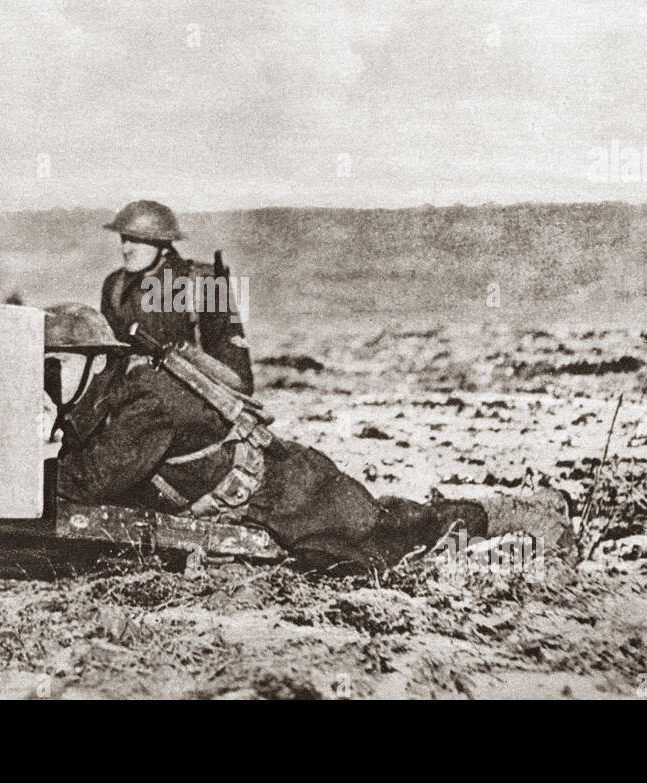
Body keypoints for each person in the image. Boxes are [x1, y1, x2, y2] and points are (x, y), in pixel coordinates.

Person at [43, 303, 486, 571]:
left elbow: (85, 481)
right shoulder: (106, 394)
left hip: (293, 494)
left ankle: (513, 515)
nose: (47, 378)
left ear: (98, 363)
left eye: (56, 365)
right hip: (266, 497)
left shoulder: (145, 399)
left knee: (395, 542)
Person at [100, 200, 254, 392]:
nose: (126, 248)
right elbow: (108, 366)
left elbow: (236, 372)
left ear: (163, 244)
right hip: (136, 399)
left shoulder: (203, 283)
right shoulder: (115, 287)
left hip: (197, 400)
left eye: (136, 240)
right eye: (124, 238)